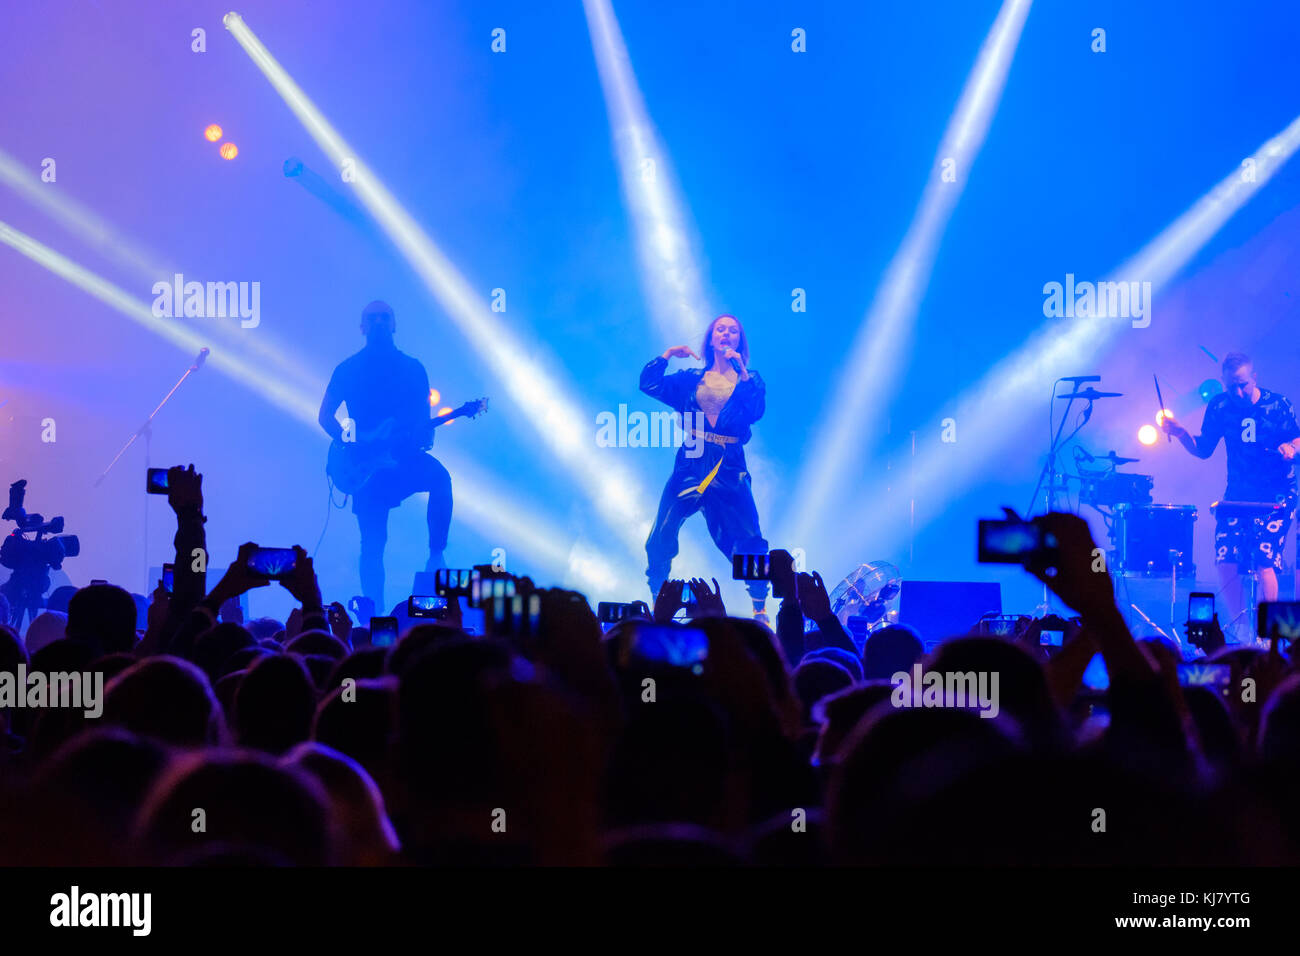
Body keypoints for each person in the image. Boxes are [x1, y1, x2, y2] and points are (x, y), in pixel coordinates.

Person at [319, 301, 452, 610]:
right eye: (372, 318)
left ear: (394, 324)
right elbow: (325, 416)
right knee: (373, 545)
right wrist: (354, 441)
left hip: (402, 457)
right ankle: (374, 616)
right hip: (365, 465)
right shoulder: (348, 369)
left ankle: (436, 553)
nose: (379, 322)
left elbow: (422, 419)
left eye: (384, 317)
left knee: (441, 479)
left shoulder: (413, 368)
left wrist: (424, 436)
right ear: (363, 327)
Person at [640, 314, 771, 622]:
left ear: (739, 341)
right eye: (720, 329)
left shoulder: (749, 379)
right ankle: (660, 601)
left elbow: (755, 411)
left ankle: (760, 608)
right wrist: (668, 355)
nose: (726, 334)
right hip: (692, 460)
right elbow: (649, 384)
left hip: (729, 466)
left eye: (733, 331)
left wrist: (742, 372)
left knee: (749, 536)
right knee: (662, 531)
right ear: (711, 339)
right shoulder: (689, 378)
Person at [1162, 352, 1300, 641]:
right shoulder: (1220, 407)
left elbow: (1298, 437)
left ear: (1254, 378)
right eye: (1231, 386)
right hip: (1238, 495)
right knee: (1225, 556)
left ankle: (1268, 633)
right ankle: (1240, 628)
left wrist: (1291, 446)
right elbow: (1203, 449)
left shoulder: (1278, 405)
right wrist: (1181, 433)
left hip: (1277, 495)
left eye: (1243, 384)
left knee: (1264, 558)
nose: (1238, 392)